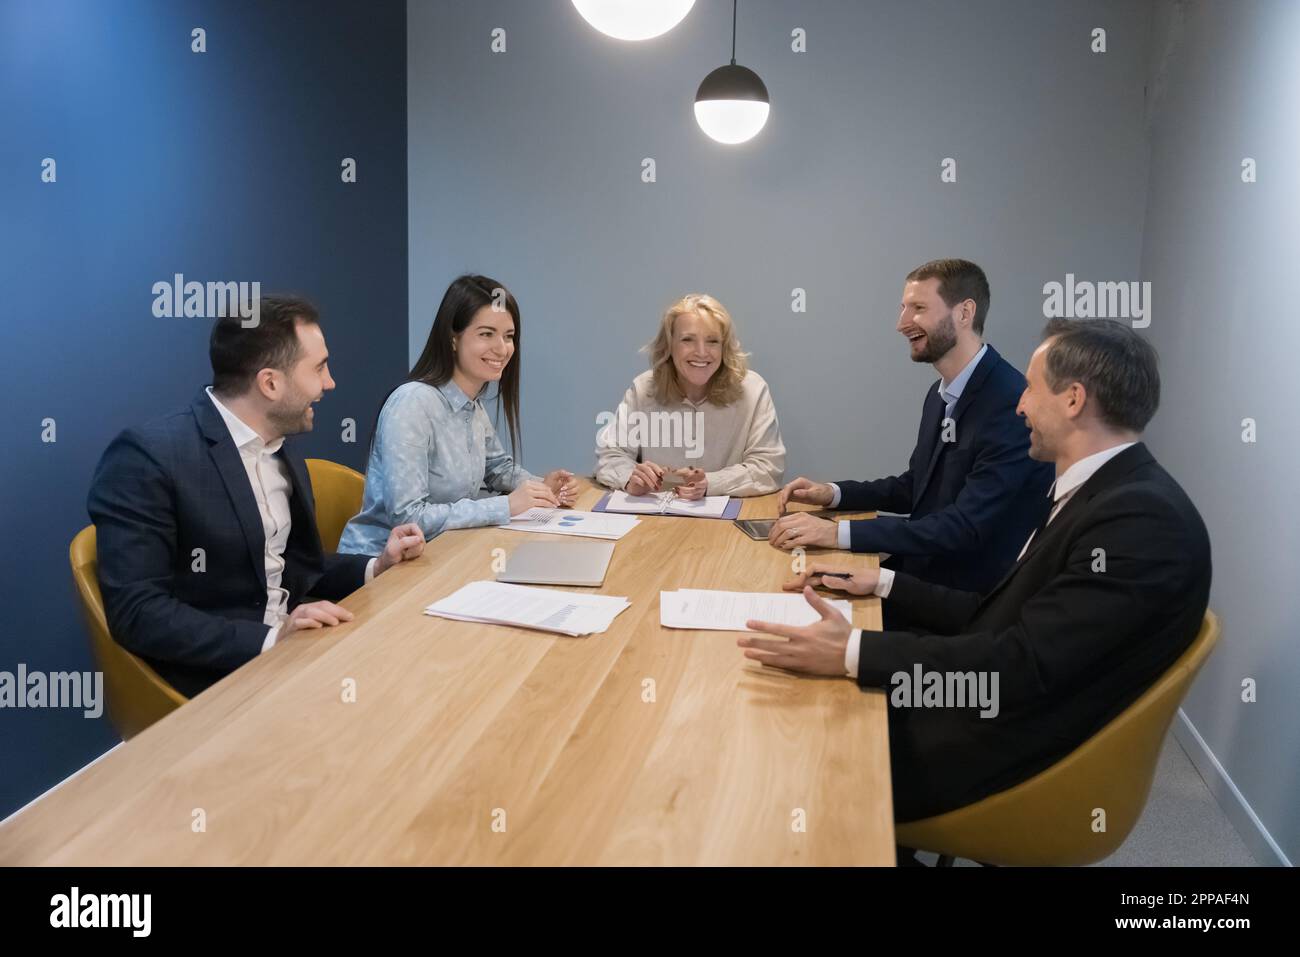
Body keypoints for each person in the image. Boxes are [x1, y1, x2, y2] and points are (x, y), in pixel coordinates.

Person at [740, 319, 1212, 824]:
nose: (1020, 405)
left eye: (1031, 389)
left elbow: (1019, 664)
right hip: (993, 708)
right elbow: (1003, 616)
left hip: (1008, 752)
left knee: (787, 751)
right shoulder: (1108, 492)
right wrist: (882, 582)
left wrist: (854, 650)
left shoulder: (1140, 522)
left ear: (1074, 400)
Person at [88, 296, 425, 698]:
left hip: (297, 653)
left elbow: (296, 568)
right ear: (270, 383)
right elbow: (138, 613)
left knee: (416, 669)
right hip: (220, 677)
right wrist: (271, 639)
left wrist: (377, 566)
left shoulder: (277, 444)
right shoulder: (149, 457)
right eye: (319, 368)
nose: (330, 383)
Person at [770, 259, 1053, 600]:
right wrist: (832, 494)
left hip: (960, 601)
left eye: (918, 308)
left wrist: (835, 533)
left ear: (964, 313)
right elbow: (916, 486)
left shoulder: (1009, 403)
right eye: (903, 308)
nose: (901, 323)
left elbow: (963, 528)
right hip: (921, 573)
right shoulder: (940, 394)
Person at [339, 275, 579, 554]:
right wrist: (506, 506)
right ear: (453, 339)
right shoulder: (412, 404)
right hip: (380, 566)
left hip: (441, 553)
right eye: (486, 334)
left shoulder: (471, 405)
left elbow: (497, 468)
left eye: (509, 336)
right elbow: (407, 517)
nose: (502, 349)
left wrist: (540, 487)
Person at [594, 293, 785, 498]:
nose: (701, 352)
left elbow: (768, 468)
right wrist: (630, 477)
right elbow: (611, 455)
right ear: (669, 346)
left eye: (712, 341)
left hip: (726, 522)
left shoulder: (753, 390)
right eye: (688, 340)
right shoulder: (643, 389)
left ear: (724, 347)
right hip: (654, 518)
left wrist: (709, 484)